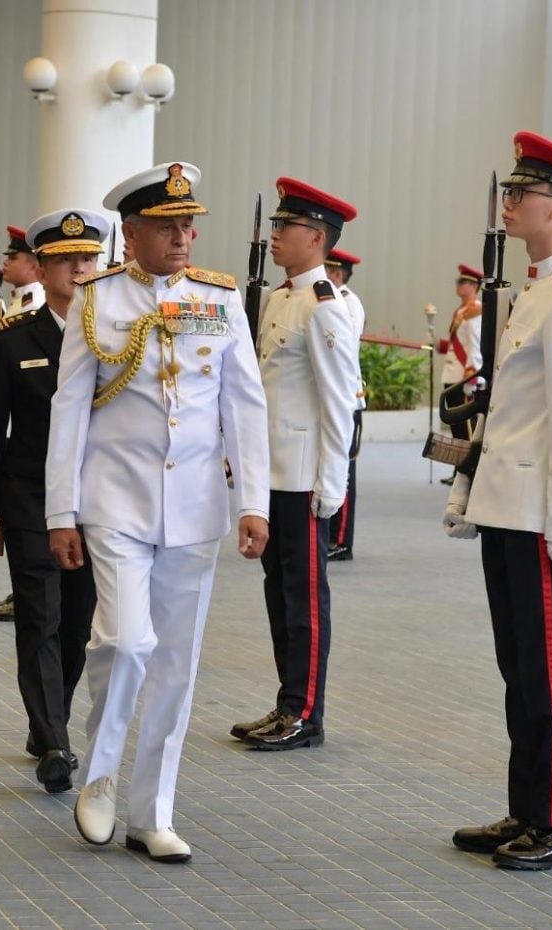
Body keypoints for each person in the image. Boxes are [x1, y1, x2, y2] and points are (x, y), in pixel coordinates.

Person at [47, 162, 269, 864]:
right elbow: (68, 411)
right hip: (115, 498)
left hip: (196, 506)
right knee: (126, 640)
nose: (185, 235)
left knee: (175, 662)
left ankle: (153, 810)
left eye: (190, 223)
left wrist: (254, 501)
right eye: (168, 225)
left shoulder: (219, 299)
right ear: (133, 232)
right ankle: (101, 774)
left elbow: (245, 405)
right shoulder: (98, 300)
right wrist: (61, 510)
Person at [443, 130, 552, 870]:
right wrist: (468, 486)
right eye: (510, 191)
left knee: (549, 669)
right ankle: (526, 808)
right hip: (507, 507)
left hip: (543, 515)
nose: (510, 204)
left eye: (524, 193)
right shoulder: (538, 288)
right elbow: (508, 411)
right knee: (520, 670)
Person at [0, 207, 106, 793]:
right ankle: (54, 739)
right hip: (28, 495)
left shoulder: (115, 335)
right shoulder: (15, 340)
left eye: (87, 260)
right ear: (43, 267)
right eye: (66, 261)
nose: (78, 270)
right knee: (41, 616)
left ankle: (47, 714)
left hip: (95, 498)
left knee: (79, 621)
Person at [230, 178, 360, 752]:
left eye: (286, 228)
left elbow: (339, 403)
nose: (275, 236)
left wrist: (332, 483)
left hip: (305, 477)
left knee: (304, 600)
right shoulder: (282, 299)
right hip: (273, 474)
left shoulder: (325, 308)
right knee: (279, 594)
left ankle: (305, 712)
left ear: (316, 237)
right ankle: (287, 703)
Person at [323, 247, 366, 561]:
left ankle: (341, 540)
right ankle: (330, 534)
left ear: (337, 274)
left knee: (345, 471)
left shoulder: (348, 303)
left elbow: (342, 351)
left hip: (348, 399)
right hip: (336, 398)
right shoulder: (332, 300)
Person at [437, 264, 484, 484]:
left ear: (474, 286)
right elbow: (458, 343)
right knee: (456, 428)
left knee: (466, 429)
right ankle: (460, 471)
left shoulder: (476, 310)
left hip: (463, 377)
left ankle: (470, 472)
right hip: (452, 374)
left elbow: (475, 344)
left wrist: (471, 376)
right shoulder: (461, 310)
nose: (458, 285)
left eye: (463, 282)